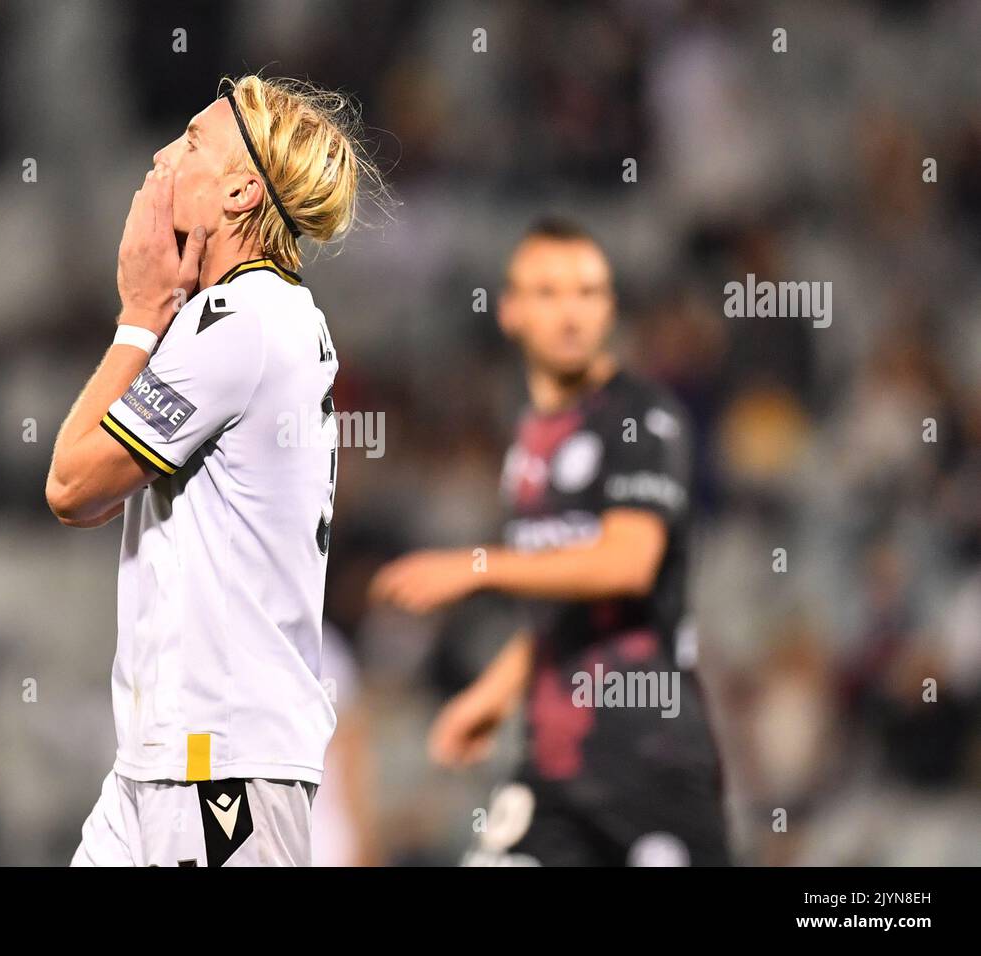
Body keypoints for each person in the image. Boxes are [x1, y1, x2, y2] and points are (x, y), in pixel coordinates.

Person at [47, 75, 378, 866]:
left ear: (240, 192)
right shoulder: (248, 317)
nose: (164, 155)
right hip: (163, 760)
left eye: (192, 141)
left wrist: (137, 314)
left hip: (222, 764)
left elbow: (71, 485)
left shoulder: (245, 320)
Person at [371, 219, 730, 866]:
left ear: (610, 308)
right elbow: (563, 602)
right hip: (556, 768)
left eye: (588, 293)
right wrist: (497, 691)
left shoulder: (642, 418)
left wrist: (479, 567)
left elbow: (627, 563)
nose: (570, 313)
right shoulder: (534, 438)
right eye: (548, 292)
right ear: (509, 312)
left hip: (649, 763)